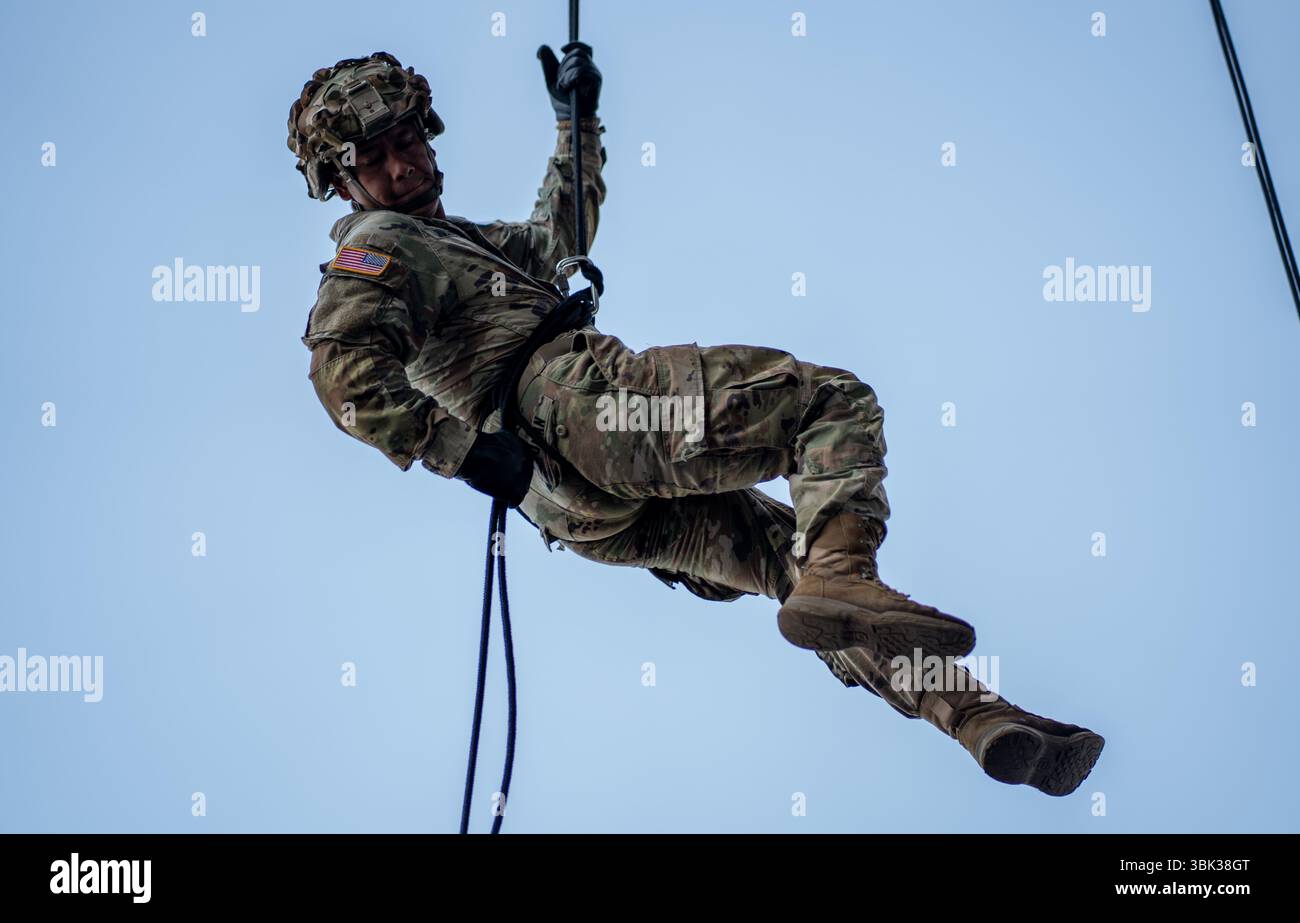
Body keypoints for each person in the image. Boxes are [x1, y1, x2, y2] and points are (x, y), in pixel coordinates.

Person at [287, 48, 1104, 797]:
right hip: (582, 412)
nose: (400, 168)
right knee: (827, 405)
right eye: (372, 160)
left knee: (797, 564)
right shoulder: (384, 245)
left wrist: (578, 125)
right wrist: (464, 453)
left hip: (579, 512)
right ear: (344, 181)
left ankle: (976, 718)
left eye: (406, 142)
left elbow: (556, 234)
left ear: (427, 134)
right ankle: (847, 574)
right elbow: (344, 370)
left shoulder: (453, 243)